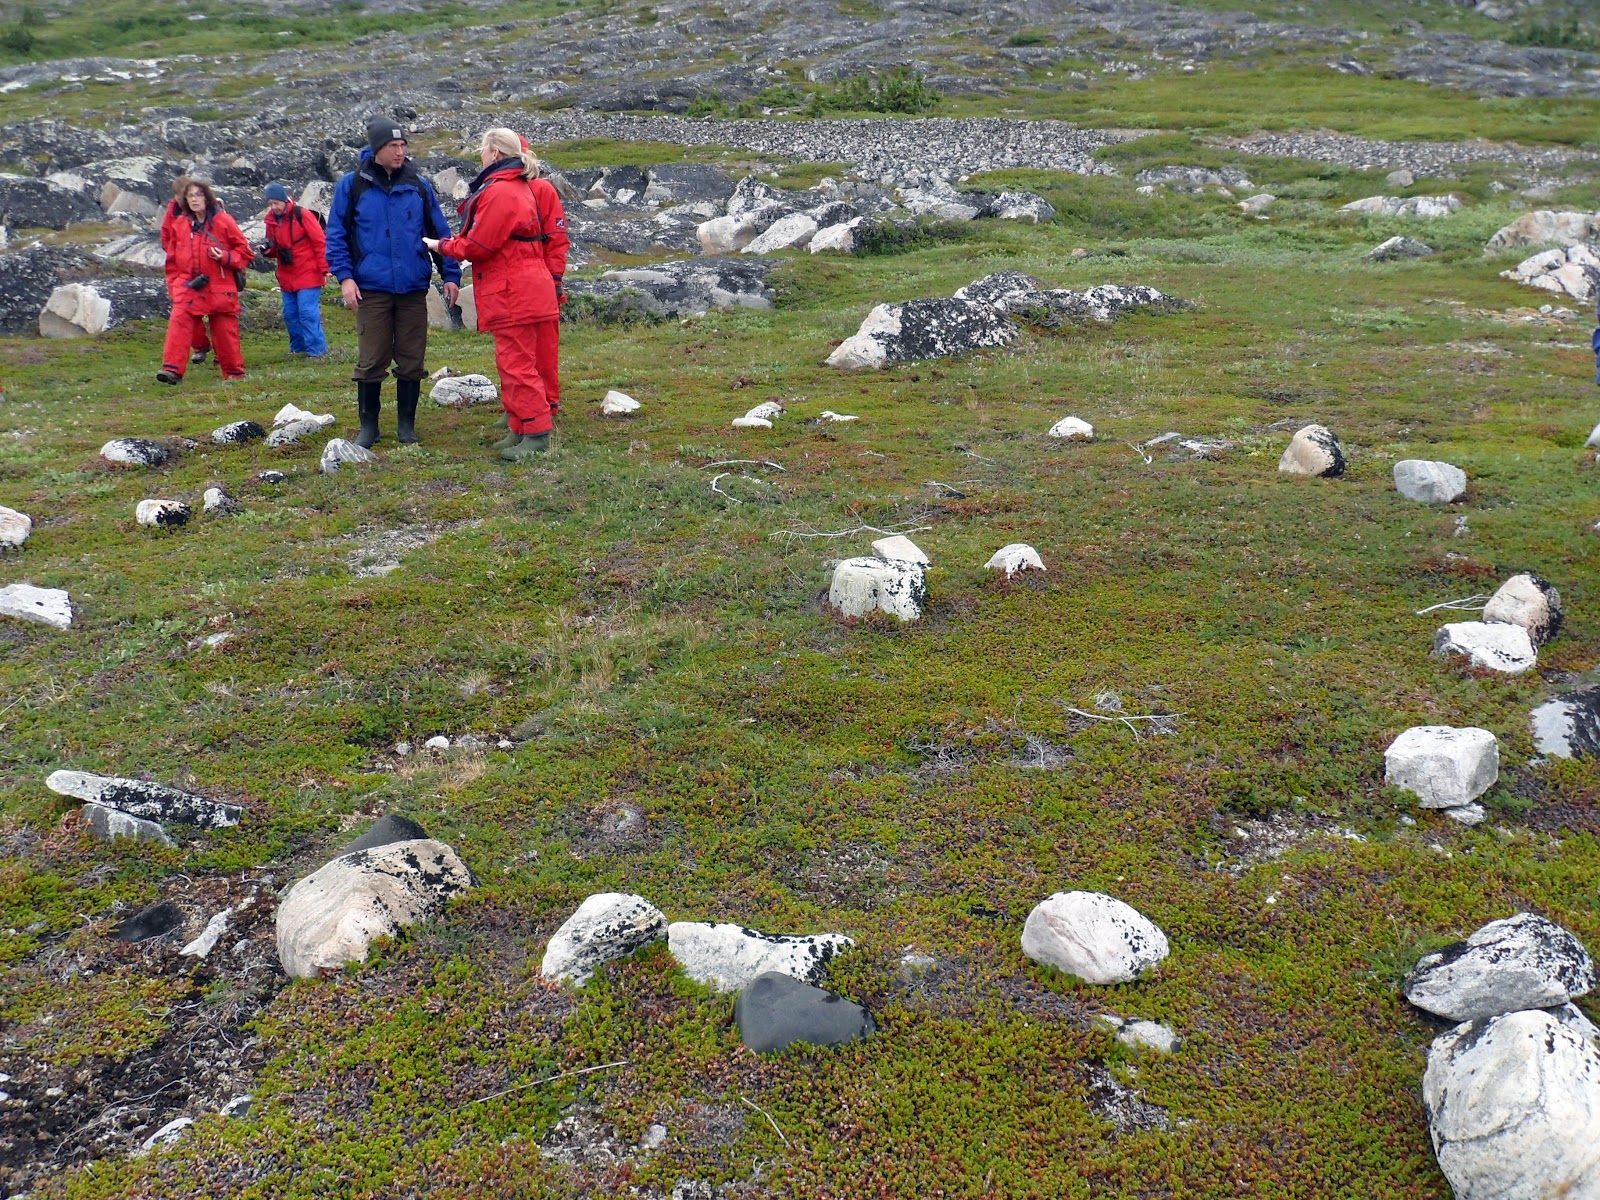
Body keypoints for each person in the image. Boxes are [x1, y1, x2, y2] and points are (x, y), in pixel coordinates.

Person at [426, 128, 568, 461]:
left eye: (483, 148)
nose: (480, 154)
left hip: (517, 290)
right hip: (522, 287)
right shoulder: (517, 188)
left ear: (495, 152)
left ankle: (536, 431)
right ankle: (520, 424)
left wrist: (441, 246)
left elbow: (480, 245)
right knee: (514, 361)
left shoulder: (506, 191)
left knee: (521, 362)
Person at [325, 115, 461, 448]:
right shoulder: (352, 185)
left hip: (413, 287)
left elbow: (438, 232)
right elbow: (337, 235)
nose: (400, 152)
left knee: (412, 360)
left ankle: (406, 427)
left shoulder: (418, 184)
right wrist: (345, 278)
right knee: (371, 361)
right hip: (371, 288)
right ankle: (369, 428)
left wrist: (451, 275)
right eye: (392, 146)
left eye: (403, 145)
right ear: (376, 149)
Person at [156, 178, 251, 384]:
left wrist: (224, 257)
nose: (194, 199)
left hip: (220, 286)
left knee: (225, 332)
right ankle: (172, 370)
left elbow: (244, 252)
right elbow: (172, 258)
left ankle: (234, 373)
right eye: (190, 196)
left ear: (207, 198)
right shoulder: (180, 224)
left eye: (199, 195)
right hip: (189, 287)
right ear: (184, 199)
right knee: (179, 322)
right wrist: (175, 285)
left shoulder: (224, 221)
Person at [260, 182, 329, 357]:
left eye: (276, 203)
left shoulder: (302, 214)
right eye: (270, 204)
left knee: (307, 312)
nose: (273, 207)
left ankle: (317, 352)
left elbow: (319, 242)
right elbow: (274, 248)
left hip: (308, 272)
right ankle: (298, 350)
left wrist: (325, 269)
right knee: (290, 314)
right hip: (287, 275)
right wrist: (267, 250)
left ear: (284, 200)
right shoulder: (270, 221)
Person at [159, 176, 213, 367]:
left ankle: (220, 352)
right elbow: (166, 236)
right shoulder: (173, 211)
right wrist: (178, 254)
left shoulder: (210, 210)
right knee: (183, 308)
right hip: (181, 271)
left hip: (207, 270)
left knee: (214, 310)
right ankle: (200, 346)